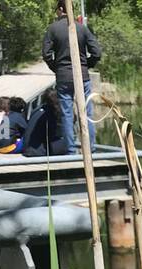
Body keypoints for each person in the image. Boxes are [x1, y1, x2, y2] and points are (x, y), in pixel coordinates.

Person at [42, 3, 102, 155]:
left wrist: (56, 68)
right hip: (82, 77)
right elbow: (97, 52)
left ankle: (70, 150)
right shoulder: (81, 28)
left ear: (61, 9)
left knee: (67, 114)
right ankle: (90, 148)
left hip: (63, 77)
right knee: (87, 113)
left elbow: (46, 54)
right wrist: (86, 65)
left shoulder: (53, 29)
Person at [22, 89, 67, 158]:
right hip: (37, 150)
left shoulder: (36, 110)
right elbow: (51, 134)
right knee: (66, 143)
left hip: (27, 148)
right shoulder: (49, 113)